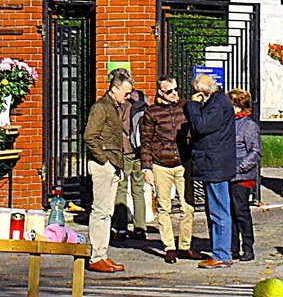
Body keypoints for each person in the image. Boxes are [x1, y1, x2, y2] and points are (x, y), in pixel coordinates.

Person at [83, 69, 134, 274]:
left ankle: (102, 253)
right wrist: (104, 161)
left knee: (107, 212)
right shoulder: (101, 108)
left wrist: (117, 166)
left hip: (112, 163)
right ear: (114, 90)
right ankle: (96, 256)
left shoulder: (113, 107)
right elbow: (90, 137)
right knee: (100, 211)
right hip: (103, 164)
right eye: (126, 93)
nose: (128, 97)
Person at [142, 77, 198, 261]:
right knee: (163, 207)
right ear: (160, 93)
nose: (174, 94)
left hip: (183, 162)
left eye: (176, 89)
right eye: (169, 91)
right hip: (161, 164)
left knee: (188, 206)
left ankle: (185, 245)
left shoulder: (186, 107)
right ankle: (169, 247)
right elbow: (146, 141)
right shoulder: (152, 112)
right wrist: (146, 167)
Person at [186, 72, 238, 268]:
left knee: (218, 210)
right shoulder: (219, 103)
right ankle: (220, 250)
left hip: (215, 163)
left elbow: (200, 125)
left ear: (201, 92)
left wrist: (192, 105)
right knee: (215, 209)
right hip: (214, 162)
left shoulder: (217, 105)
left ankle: (222, 254)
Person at [116, 77, 152, 241]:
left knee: (121, 189)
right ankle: (140, 228)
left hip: (126, 149)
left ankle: (122, 228)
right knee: (139, 190)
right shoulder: (145, 99)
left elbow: (120, 125)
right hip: (142, 149)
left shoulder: (123, 101)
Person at [230, 89, 261, 262]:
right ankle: (232, 247)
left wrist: (239, 167)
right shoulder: (228, 123)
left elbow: (255, 152)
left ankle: (247, 247)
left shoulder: (248, 125)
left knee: (241, 211)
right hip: (228, 173)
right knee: (230, 212)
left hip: (242, 176)